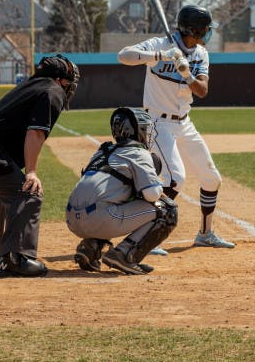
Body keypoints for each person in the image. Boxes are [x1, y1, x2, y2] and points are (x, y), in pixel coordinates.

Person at [0, 54, 80, 277]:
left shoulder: (30, 86)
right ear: (60, 80)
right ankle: (17, 259)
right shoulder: (52, 91)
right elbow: (36, 133)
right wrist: (31, 172)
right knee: (28, 193)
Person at [117, 5, 234, 249]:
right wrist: (161, 56)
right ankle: (148, 234)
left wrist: (187, 74)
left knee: (211, 178)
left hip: (184, 123)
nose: (208, 33)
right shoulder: (160, 45)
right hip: (158, 122)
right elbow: (124, 56)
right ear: (194, 29)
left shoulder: (201, 53)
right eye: (205, 29)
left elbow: (201, 91)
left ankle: (205, 234)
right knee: (174, 178)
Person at [66, 107, 178, 275]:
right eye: (145, 128)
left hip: (72, 219)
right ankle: (124, 255)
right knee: (168, 210)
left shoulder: (102, 151)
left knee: (115, 196)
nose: (148, 133)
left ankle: (90, 248)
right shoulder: (138, 152)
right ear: (137, 130)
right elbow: (152, 194)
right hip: (99, 218)